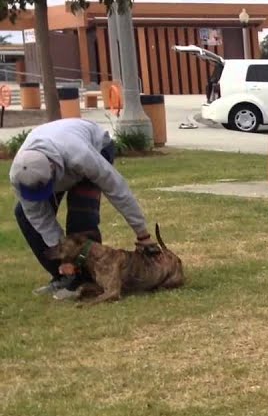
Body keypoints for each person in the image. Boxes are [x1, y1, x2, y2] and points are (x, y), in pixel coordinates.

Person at [9, 117, 158, 299]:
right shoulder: (19, 175)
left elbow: (117, 189)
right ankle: (63, 277)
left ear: (52, 168)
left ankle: (88, 281)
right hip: (58, 157)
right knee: (24, 216)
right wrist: (64, 258)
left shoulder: (80, 156)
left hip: (96, 146)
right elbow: (38, 217)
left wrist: (142, 234)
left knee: (80, 217)